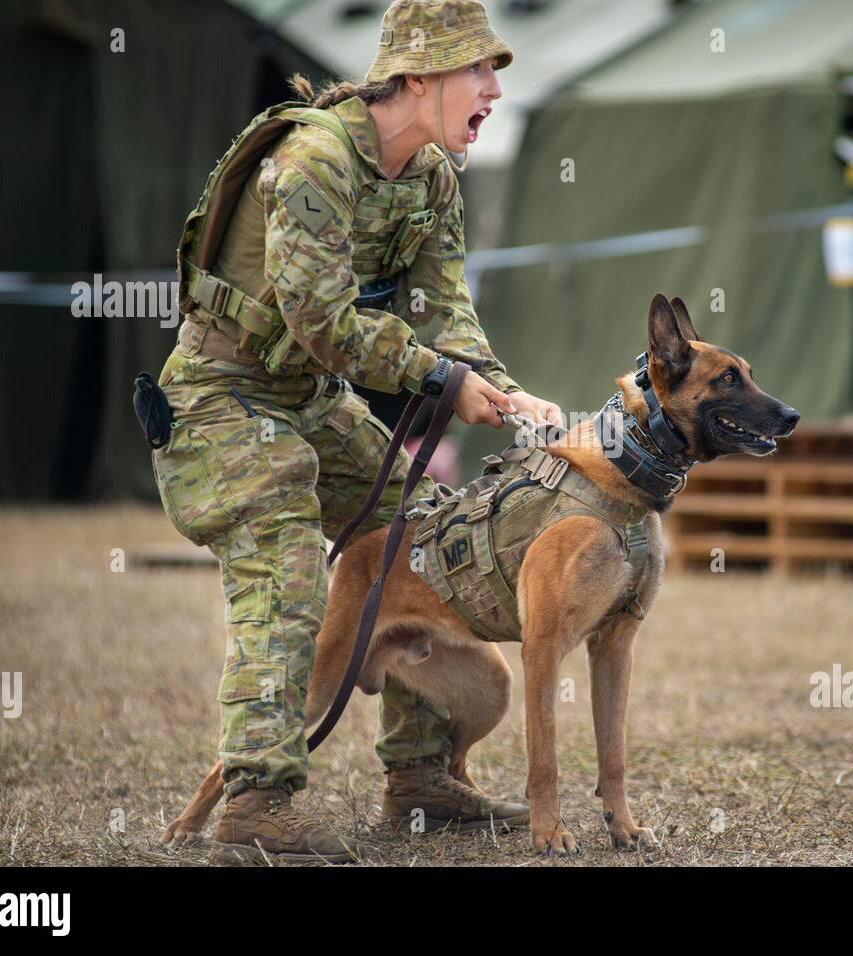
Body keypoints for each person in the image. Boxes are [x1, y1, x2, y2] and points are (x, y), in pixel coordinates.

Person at [152, 0, 561, 862]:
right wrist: (440, 379)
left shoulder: (432, 177)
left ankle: (418, 777)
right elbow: (322, 320)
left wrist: (504, 394)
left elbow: (444, 309)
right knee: (286, 560)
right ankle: (255, 807)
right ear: (417, 78)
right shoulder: (313, 162)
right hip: (222, 396)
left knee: (429, 540)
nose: (493, 89)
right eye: (478, 71)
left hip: (307, 396)